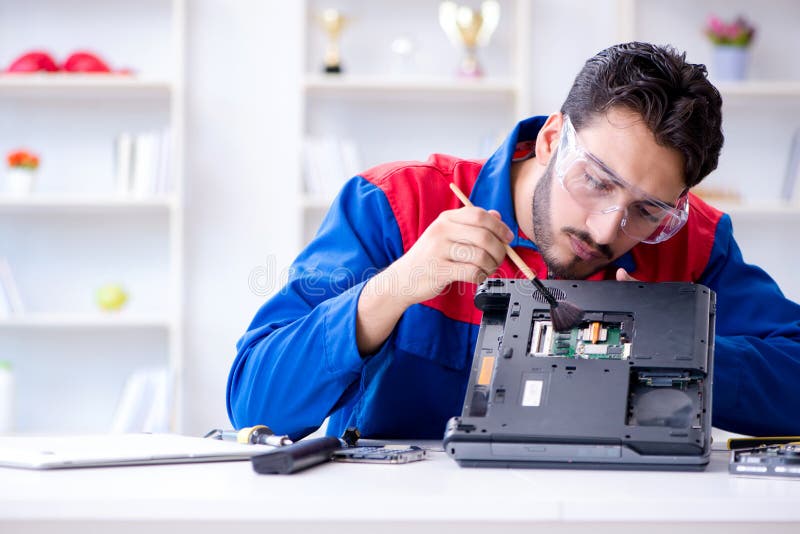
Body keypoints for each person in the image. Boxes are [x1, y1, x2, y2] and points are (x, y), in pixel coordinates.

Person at [227, 42, 800, 441]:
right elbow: (254, 406)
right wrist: (394, 288)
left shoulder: (694, 241)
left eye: (645, 211)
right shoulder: (394, 205)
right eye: (595, 181)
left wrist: (670, 347)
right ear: (553, 138)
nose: (606, 230)